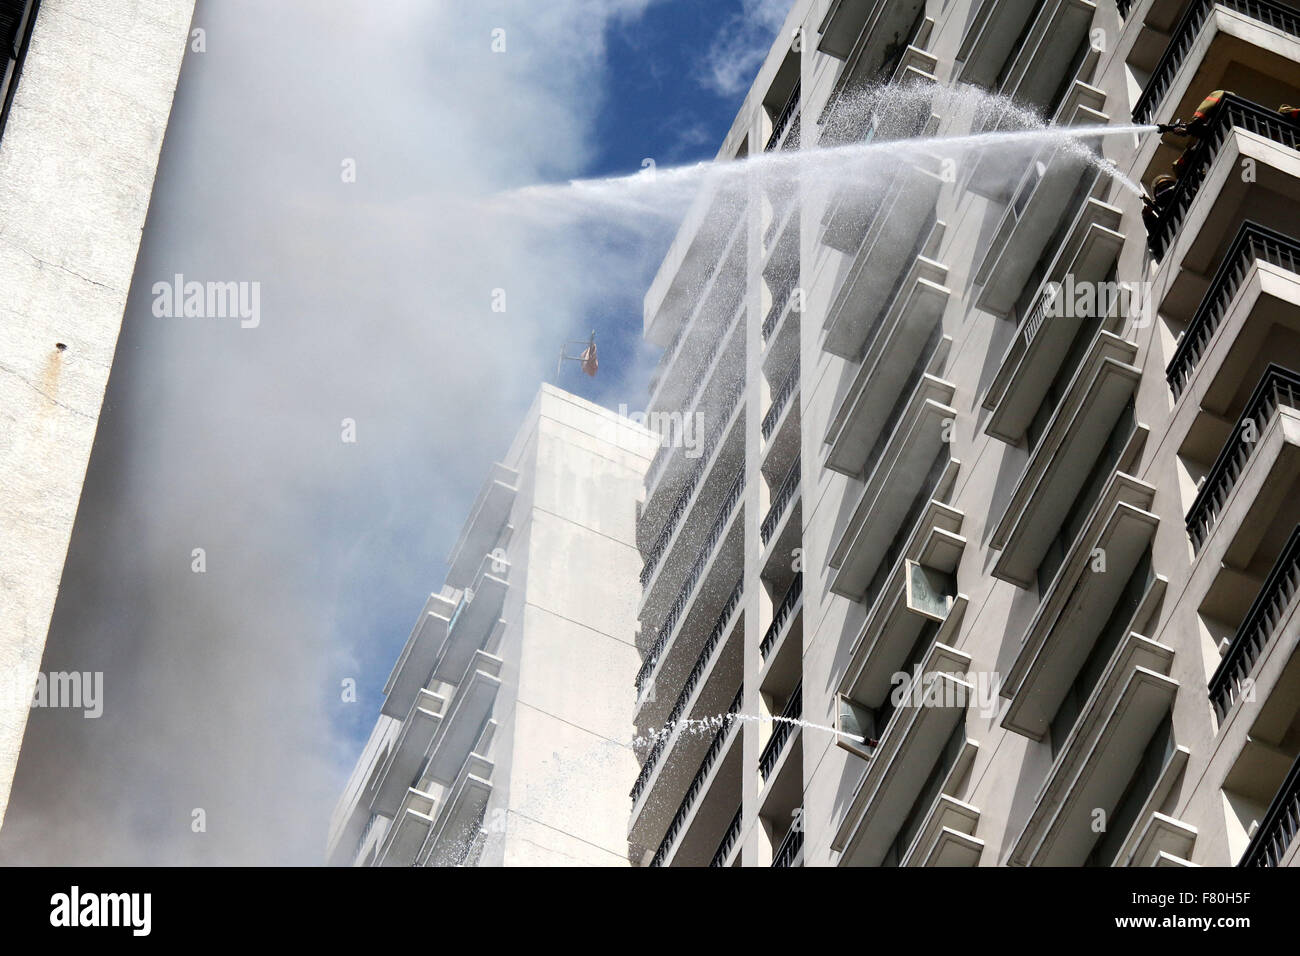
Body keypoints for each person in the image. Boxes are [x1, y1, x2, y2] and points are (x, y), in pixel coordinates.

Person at [1142, 174, 1178, 254]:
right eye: (1161, 190)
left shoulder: (1184, 194)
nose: (1164, 192)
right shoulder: (1162, 218)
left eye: (1166, 187)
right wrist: (1148, 217)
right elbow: (1154, 233)